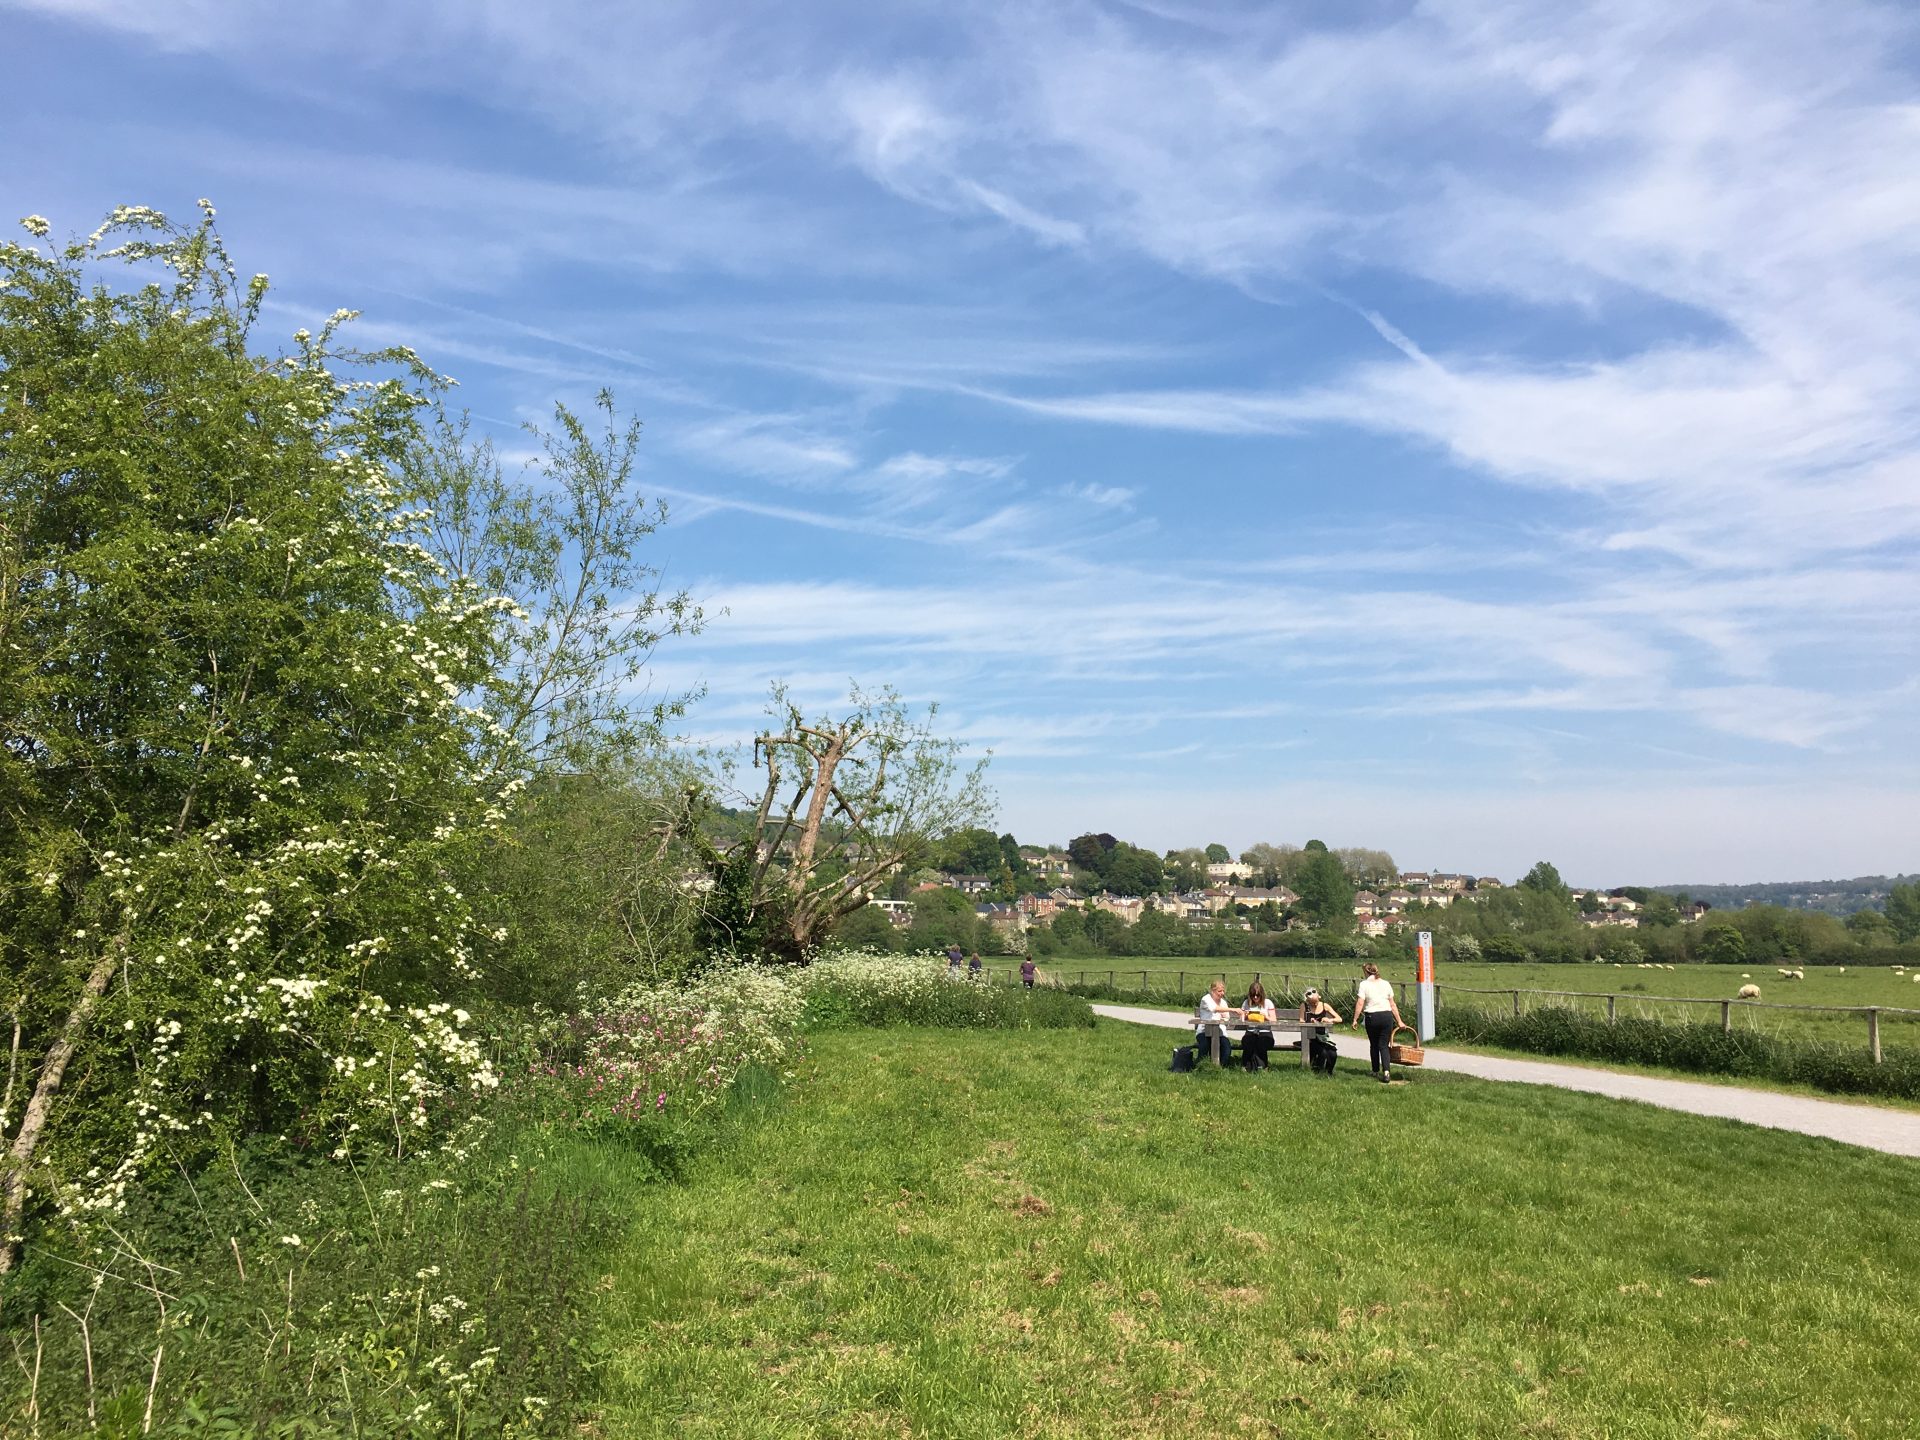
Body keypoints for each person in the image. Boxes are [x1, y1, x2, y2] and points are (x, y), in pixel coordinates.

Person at [1350, 962, 1405, 1083]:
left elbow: (1360, 1003)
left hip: (1372, 1017)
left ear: (1366, 972)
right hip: (1387, 1016)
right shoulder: (1386, 983)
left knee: (1374, 1045)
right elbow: (1392, 1004)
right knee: (1384, 1045)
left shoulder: (1364, 984)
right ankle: (1386, 1072)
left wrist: (1355, 1019)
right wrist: (1399, 1021)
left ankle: (1375, 1070)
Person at [1300, 987, 1344, 1075]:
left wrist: (1329, 1020)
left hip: (1323, 1037)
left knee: (1332, 1053)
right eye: (1311, 1002)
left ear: (1319, 997)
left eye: (1315, 1002)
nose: (1313, 1004)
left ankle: (1329, 1072)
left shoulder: (1325, 1006)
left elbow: (1339, 1019)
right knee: (1322, 1052)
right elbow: (1301, 1021)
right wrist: (1310, 1022)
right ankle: (1318, 1071)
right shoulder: (1304, 1006)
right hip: (1310, 1037)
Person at [1194, 979, 1238, 1066]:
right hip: (1204, 1031)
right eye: (1219, 991)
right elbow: (1214, 1008)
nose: (1222, 993)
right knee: (1205, 1045)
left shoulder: (1223, 1002)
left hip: (1220, 1032)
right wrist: (1233, 1009)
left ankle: (1221, 1067)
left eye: (1223, 991)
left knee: (1226, 1047)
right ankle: (1199, 1065)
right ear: (1212, 991)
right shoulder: (1206, 999)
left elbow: (1226, 1016)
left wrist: (1224, 1015)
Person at [1239, 981, 1278, 1070]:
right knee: (1248, 1042)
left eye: (1258, 995)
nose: (1255, 998)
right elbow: (1241, 1019)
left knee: (1261, 1043)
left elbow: (1274, 1020)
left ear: (1262, 995)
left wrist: (1265, 1016)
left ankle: (1262, 1066)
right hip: (1251, 1031)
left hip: (1265, 1031)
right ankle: (1246, 1066)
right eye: (1253, 995)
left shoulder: (1268, 1003)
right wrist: (1245, 1015)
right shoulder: (1246, 1003)